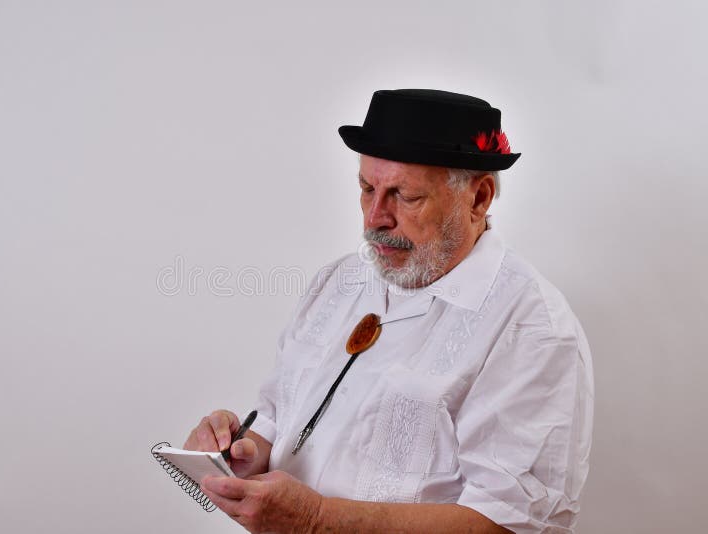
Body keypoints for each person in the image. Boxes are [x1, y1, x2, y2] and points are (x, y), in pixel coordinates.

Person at [184, 89, 594, 533]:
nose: (375, 217)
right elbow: (277, 417)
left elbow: (509, 523)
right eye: (367, 189)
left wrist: (317, 521)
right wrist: (240, 451)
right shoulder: (337, 282)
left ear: (478, 199)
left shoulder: (532, 328)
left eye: (405, 195)